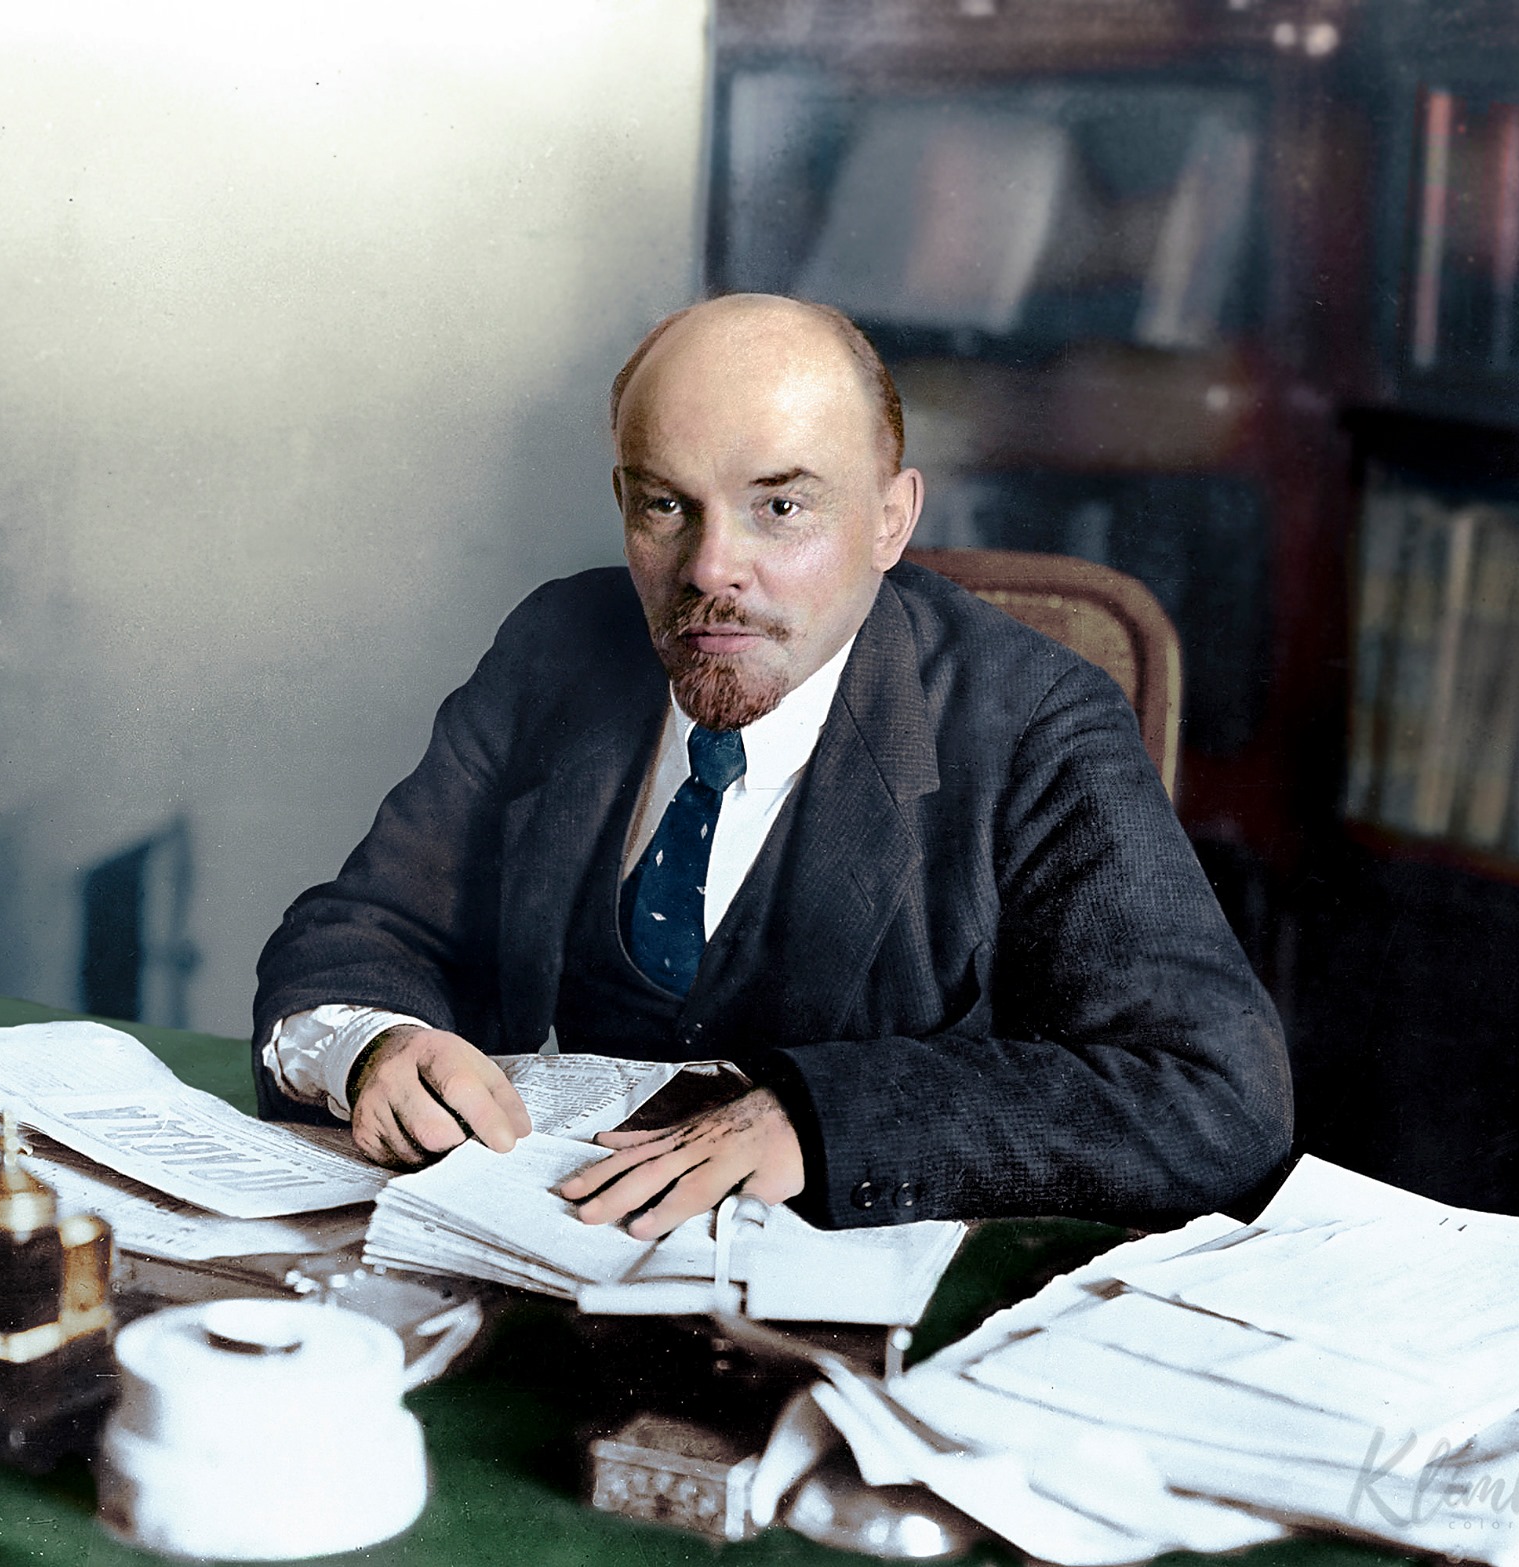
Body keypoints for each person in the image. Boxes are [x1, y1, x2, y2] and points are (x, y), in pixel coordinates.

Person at [253, 293, 1293, 1237]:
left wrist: (820, 1121)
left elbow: (1213, 1093)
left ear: (891, 519)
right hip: (535, 1259)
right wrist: (376, 1046)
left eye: (780, 508)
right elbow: (360, 927)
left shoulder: (1036, 725)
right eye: (666, 505)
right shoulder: (556, 647)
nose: (710, 569)